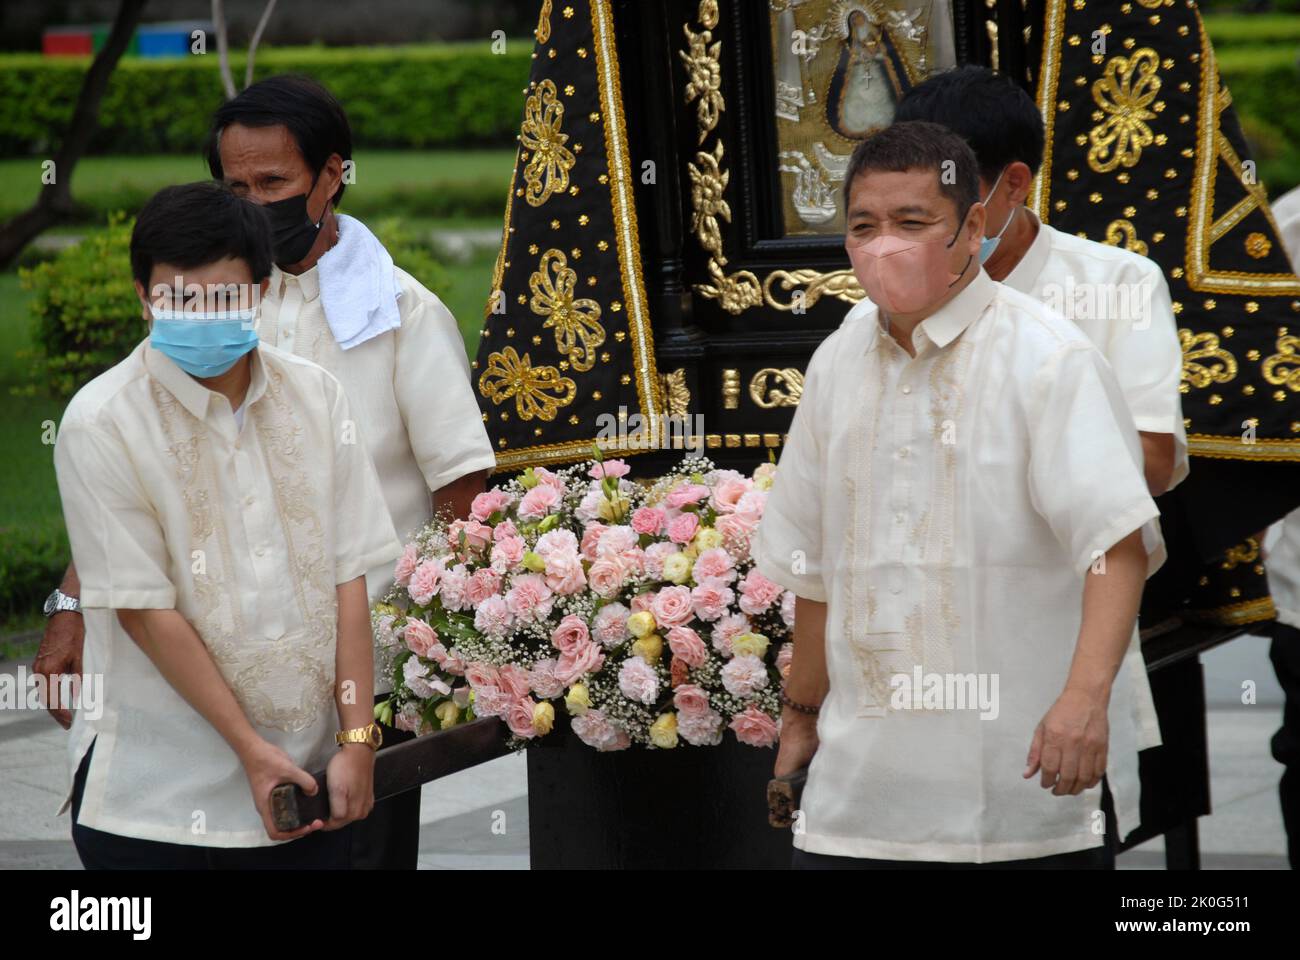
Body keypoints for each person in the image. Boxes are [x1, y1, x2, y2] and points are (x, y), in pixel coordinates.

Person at [34, 74, 497, 869]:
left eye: (273, 183)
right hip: (179, 712)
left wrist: (413, 654)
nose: (252, 202)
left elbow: (459, 490)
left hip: (359, 671)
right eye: (234, 185)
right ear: (149, 298)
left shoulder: (397, 314)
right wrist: (72, 603)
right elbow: (136, 495)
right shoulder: (181, 321)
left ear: (330, 175)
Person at [757, 121, 1165, 867]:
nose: (885, 245)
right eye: (864, 226)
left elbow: (1116, 542)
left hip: (1014, 799)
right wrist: (801, 717)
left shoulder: (1047, 359)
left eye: (913, 222)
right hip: (855, 801)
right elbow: (815, 566)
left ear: (972, 225)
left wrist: (1084, 699)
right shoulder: (837, 358)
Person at [53, 181, 401, 867]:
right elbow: (144, 613)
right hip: (156, 808)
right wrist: (252, 753)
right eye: (179, 299)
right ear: (142, 297)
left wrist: (358, 740)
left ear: (263, 292)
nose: (203, 316)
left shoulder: (317, 395)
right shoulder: (101, 422)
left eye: (224, 297)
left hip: (316, 788)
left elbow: (348, 577)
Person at [894, 65, 1187, 497]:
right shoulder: (889, 292)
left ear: (1013, 184)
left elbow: (1153, 463)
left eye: (951, 193)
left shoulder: (1118, 285)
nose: (930, 219)